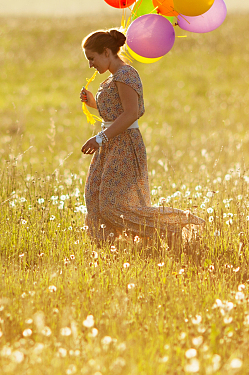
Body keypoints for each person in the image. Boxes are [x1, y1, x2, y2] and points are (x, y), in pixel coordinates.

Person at [78, 28, 204, 246]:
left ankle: (172, 223)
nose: (90, 64)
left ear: (106, 52)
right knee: (95, 199)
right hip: (110, 143)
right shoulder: (114, 78)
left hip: (123, 145)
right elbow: (118, 111)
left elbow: (131, 114)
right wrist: (94, 104)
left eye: (92, 58)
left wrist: (99, 139)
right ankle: (109, 249)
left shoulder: (126, 75)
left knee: (111, 204)